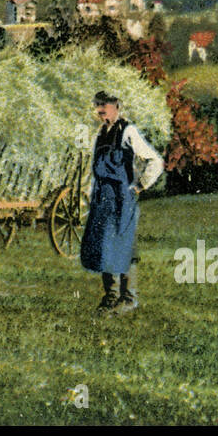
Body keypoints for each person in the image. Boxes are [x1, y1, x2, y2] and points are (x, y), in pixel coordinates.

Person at [80, 90, 164, 313]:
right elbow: (94, 168)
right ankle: (110, 296)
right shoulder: (100, 134)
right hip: (102, 197)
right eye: (98, 108)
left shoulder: (128, 131)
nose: (100, 113)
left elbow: (155, 160)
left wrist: (141, 185)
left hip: (122, 197)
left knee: (125, 246)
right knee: (103, 245)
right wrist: (90, 192)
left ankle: (128, 298)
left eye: (104, 108)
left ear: (116, 106)